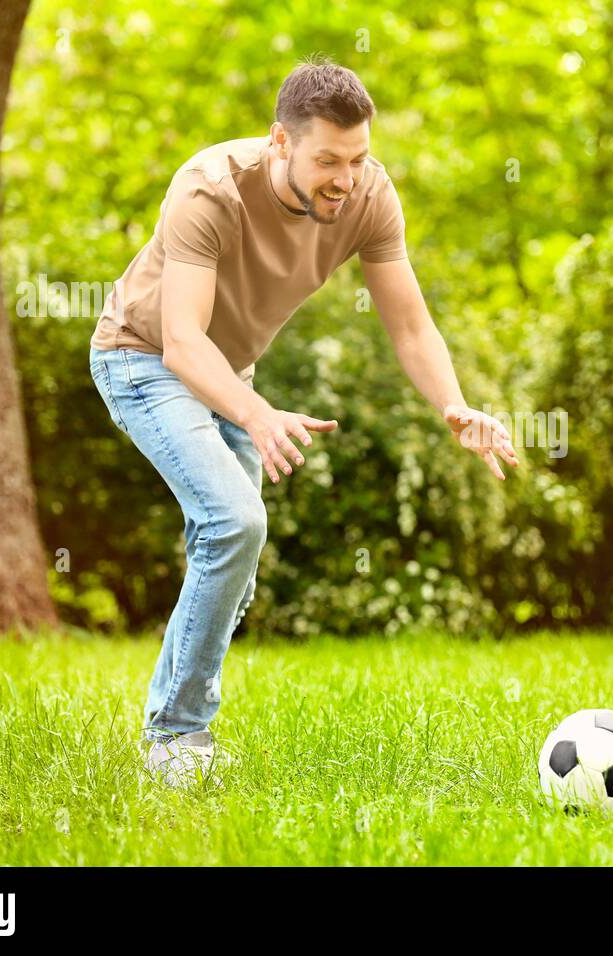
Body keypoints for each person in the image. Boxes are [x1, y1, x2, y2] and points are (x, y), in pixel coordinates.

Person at [88, 58, 518, 787]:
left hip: (232, 374)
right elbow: (184, 341)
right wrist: (253, 414)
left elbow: (410, 324)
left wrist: (454, 404)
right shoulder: (210, 188)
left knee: (233, 563)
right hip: (144, 359)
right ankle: (175, 740)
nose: (345, 179)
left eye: (357, 159)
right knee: (235, 525)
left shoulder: (369, 196)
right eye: (327, 159)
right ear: (280, 144)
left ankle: (177, 713)